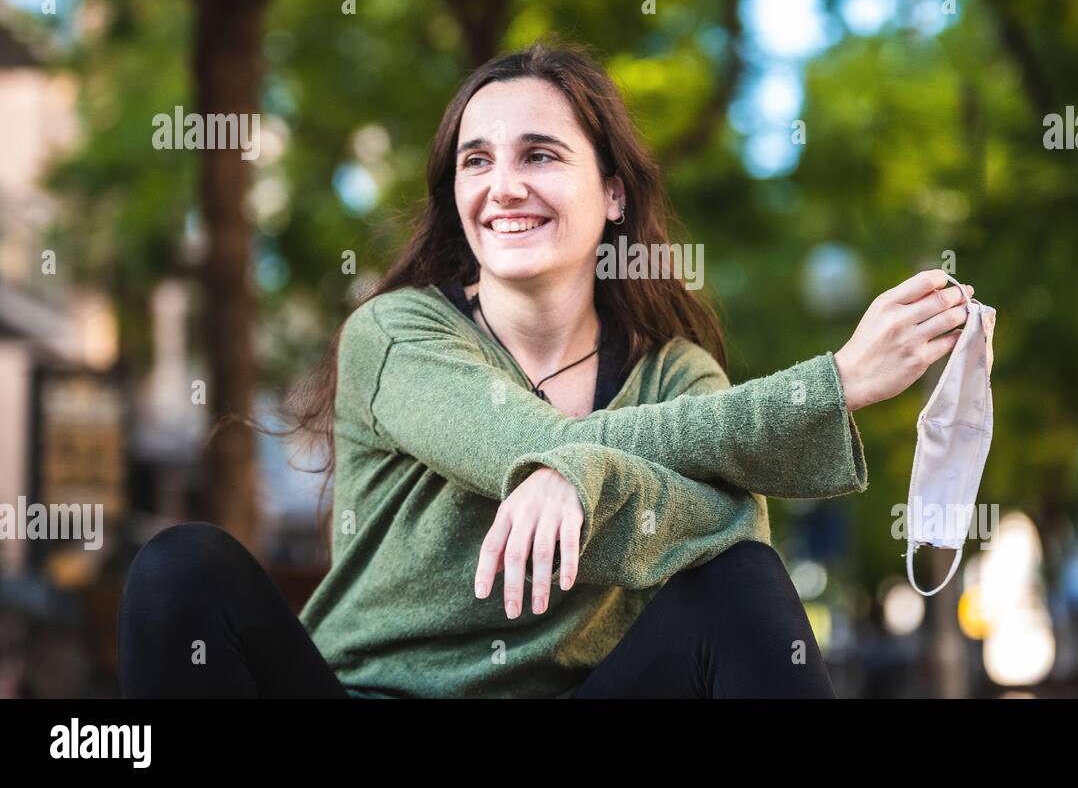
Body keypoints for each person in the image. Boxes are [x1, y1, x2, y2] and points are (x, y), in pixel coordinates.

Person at [117, 38, 972, 698]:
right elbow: (516, 437)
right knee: (181, 564)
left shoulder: (675, 373)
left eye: (540, 154)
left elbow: (732, 536)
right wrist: (829, 387)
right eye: (477, 160)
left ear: (613, 193)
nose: (503, 185)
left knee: (743, 581)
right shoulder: (395, 332)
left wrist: (578, 474)